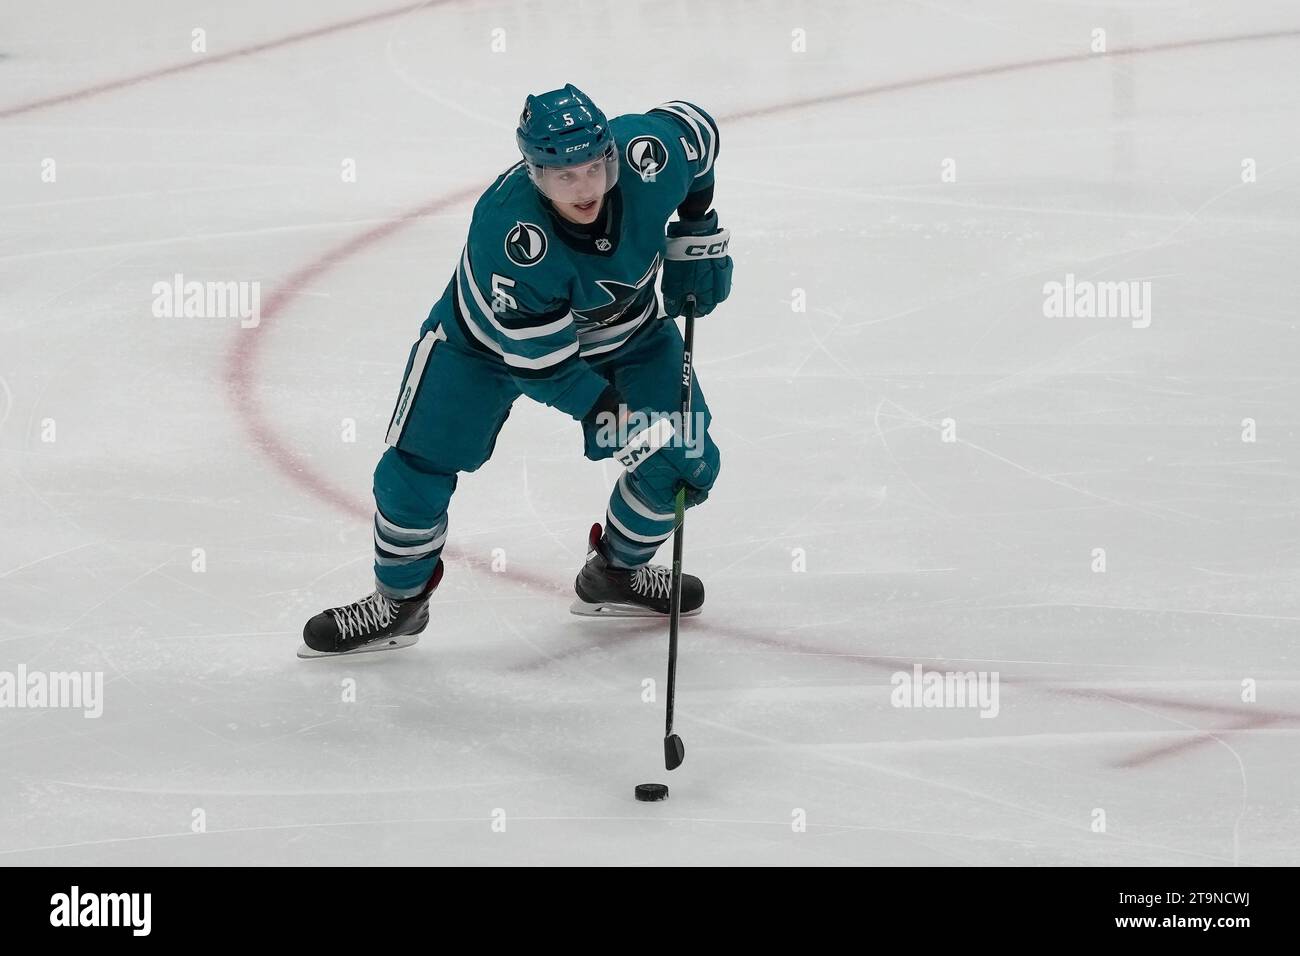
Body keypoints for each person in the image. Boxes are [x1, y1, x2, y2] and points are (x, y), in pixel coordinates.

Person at [301, 84, 733, 657]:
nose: (584, 189)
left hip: (629, 334)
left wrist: (696, 228)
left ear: (611, 153)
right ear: (534, 175)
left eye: (593, 168)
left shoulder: (648, 154)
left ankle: (614, 575)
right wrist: (619, 421)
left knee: (683, 462)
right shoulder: (512, 237)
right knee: (414, 471)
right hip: (481, 346)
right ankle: (398, 604)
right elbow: (546, 369)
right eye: (564, 177)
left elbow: (698, 132)